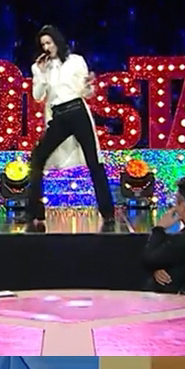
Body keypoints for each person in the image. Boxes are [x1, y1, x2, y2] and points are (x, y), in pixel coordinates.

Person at [26, 24, 113, 230]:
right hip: (59, 116)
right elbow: (37, 96)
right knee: (38, 157)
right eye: (43, 44)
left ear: (57, 41)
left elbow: (85, 93)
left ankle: (108, 212)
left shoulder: (76, 61)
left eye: (49, 43)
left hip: (77, 111)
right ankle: (35, 212)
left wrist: (89, 85)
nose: (47, 47)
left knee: (93, 161)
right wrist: (41, 75)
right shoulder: (39, 67)